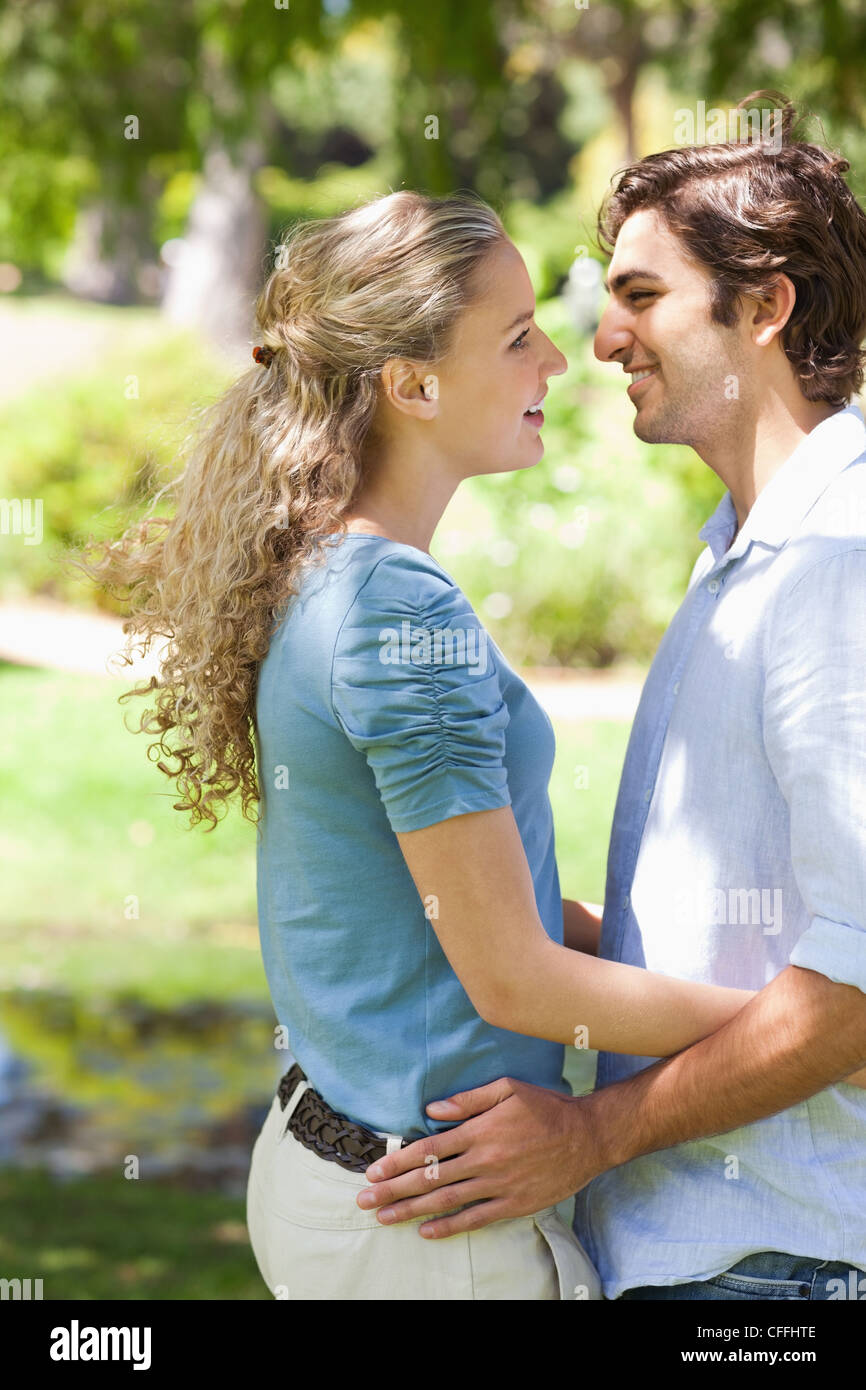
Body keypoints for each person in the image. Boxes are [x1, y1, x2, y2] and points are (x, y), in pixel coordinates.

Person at [74, 189, 774, 1301]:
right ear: (409, 385)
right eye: (514, 336)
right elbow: (508, 974)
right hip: (428, 1233)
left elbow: (454, 901)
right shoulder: (399, 606)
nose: (557, 358)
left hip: (355, 1185)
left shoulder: (330, 568)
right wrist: (794, 1035)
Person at [357, 102, 866, 1302]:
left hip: (775, 1267)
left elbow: (851, 994)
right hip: (713, 1255)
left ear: (763, 306)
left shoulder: (837, 563)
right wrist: (505, 906)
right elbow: (760, 923)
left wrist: (592, 1131)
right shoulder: (747, 545)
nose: (599, 341)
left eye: (640, 296)